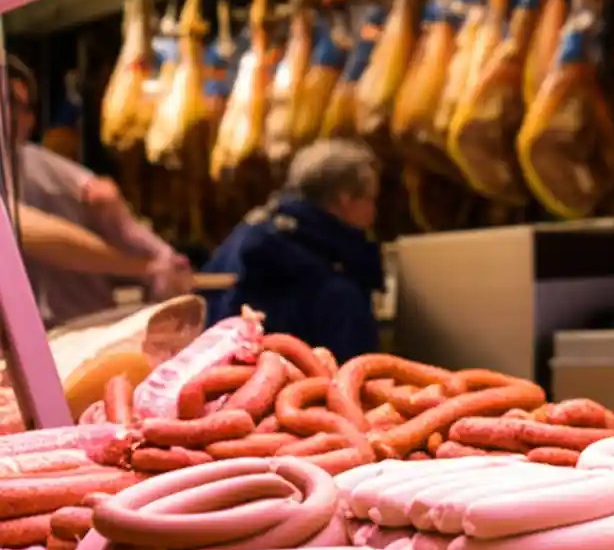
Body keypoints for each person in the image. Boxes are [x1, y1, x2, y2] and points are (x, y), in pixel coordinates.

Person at [6, 55, 191, 327]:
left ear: (30, 120)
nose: (5, 113)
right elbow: (22, 227)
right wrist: (143, 266)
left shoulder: (32, 162)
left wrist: (162, 257)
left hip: (69, 325)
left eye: (13, 103)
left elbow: (104, 197)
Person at [203, 139, 383, 362]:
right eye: (370, 200)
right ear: (345, 199)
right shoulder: (334, 280)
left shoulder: (246, 234)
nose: (373, 213)